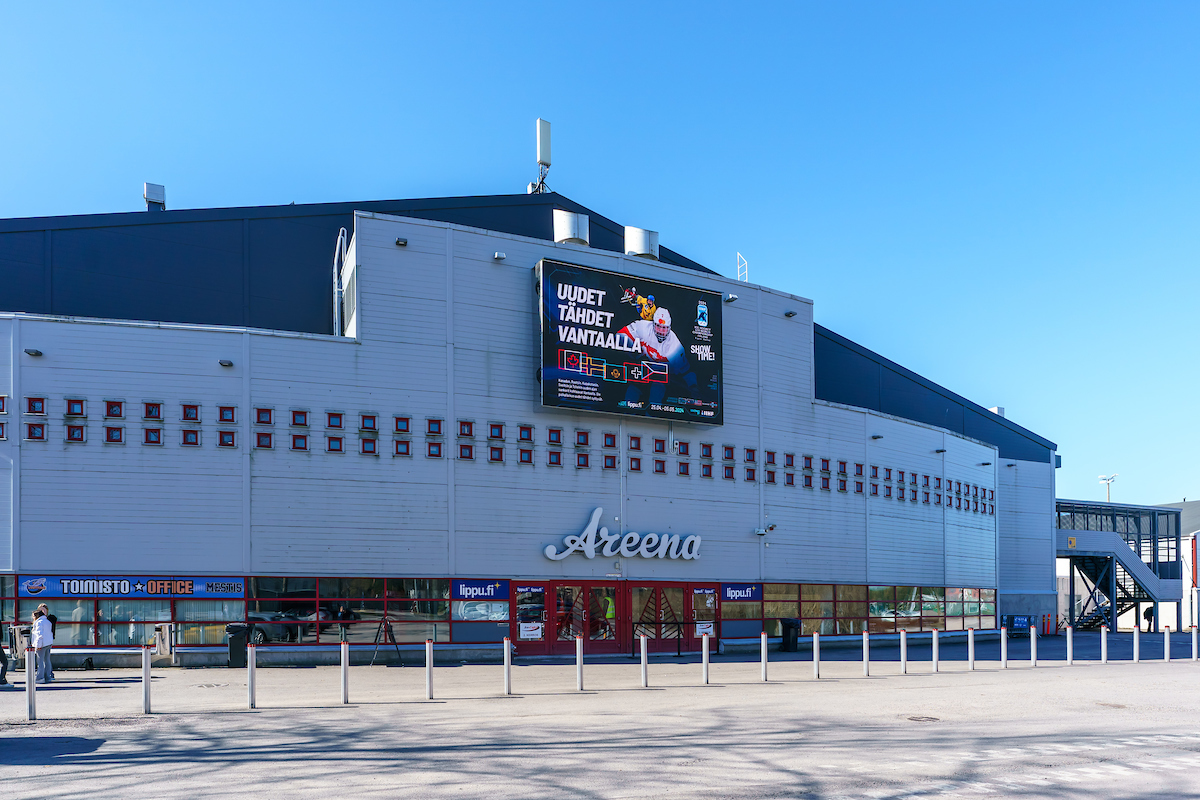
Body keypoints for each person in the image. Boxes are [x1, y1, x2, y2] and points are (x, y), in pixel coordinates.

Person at [31, 610, 54, 684]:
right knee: (47, 660)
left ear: (36, 616)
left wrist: (38, 645)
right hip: (48, 643)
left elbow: (39, 634)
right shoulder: (47, 621)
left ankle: (40, 678)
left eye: (33, 616)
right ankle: (48, 677)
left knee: (40, 661)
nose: (32, 618)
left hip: (42, 644)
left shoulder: (39, 622)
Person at [37, 603, 57, 681]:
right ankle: (48, 675)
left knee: (43, 660)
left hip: (44, 642)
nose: (42, 612)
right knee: (45, 659)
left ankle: (44, 676)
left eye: (44, 610)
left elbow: (40, 633)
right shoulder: (43, 620)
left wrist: (38, 644)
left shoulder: (45, 620)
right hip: (47, 641)